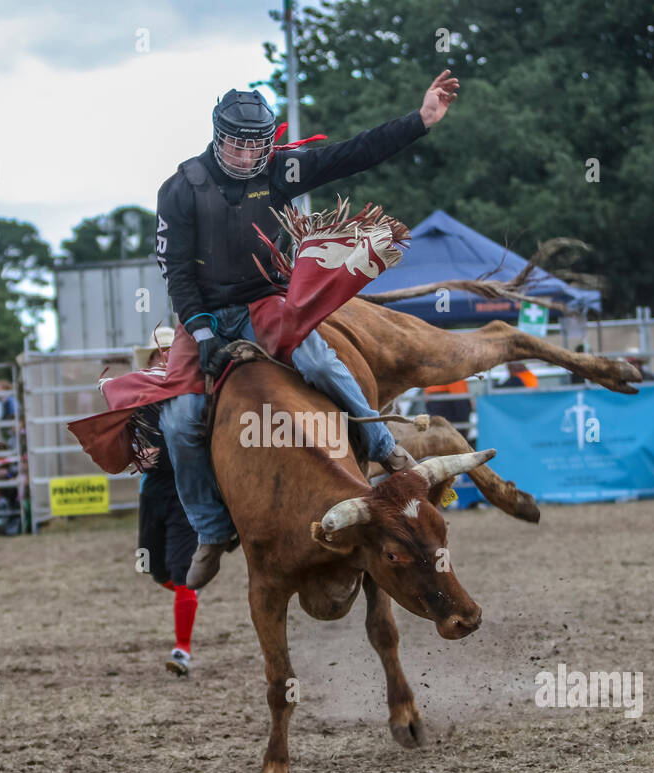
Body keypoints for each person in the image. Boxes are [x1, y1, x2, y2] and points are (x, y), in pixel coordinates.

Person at [155, 71, 460, 590]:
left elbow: (352, 153)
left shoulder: (281, 169)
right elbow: (176, 270)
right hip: (202, 311)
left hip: (267, 299)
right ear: (216, 135)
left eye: (257, 145)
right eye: (236, 144)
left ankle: (383, 444)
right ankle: (210, 530)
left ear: (269, 143)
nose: (247, 156)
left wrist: (421, 120)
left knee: (320, 362)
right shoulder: (182, 188)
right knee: (180, 420)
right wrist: (203, 333)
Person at [127, 328, 202, 675]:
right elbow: (128, 445)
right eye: (160, 353)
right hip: (153, 491)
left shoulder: (197, 395)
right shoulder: (140, 402)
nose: (165, 357)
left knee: (181, 572)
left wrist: (167, 454)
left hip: (185, 493)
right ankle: (186, 596)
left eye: (171, 350)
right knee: (156, 570)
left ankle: (182, 650)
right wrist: (138, 454)